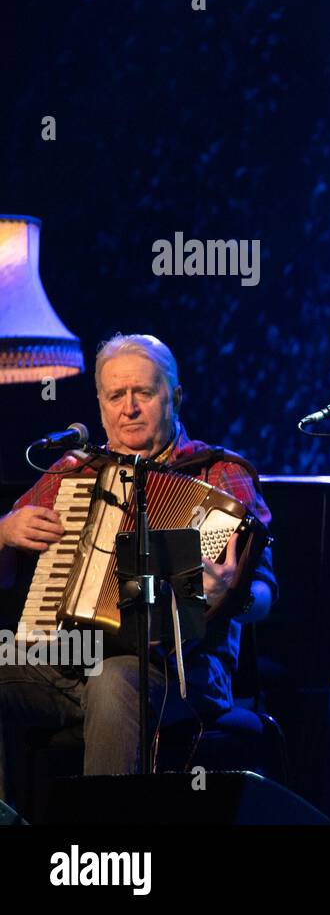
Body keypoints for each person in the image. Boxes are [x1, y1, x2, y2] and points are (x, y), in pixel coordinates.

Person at [0, 333, 276, 806]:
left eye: (143, 393)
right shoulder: (73, 472)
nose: (128, 408)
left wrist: (231, 593)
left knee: (115, 680)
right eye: (115, 396)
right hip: (72, 659)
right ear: (101, 406)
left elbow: (266, 598)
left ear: (175, 397)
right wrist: (4, 531)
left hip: (185, 670)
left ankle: (109, 857)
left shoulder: (219, 475)